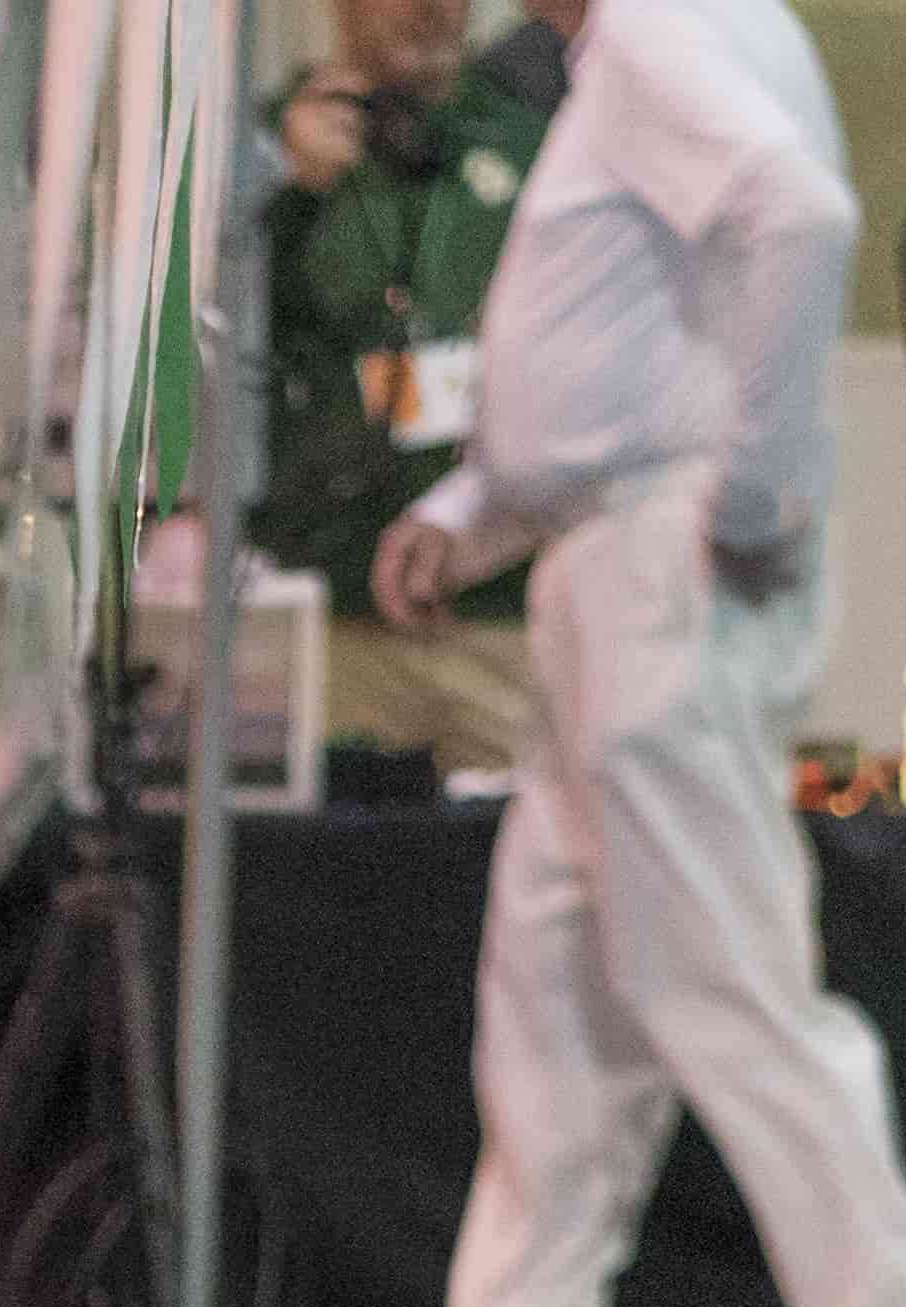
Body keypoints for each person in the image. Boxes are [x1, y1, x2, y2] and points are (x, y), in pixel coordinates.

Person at [332, 0, 906, 1307]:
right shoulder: (654, 47)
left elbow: (797, 211)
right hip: (621, 558)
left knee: (719, 980)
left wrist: (763, 481)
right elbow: (635, 345)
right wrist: (486, 508)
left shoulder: (662, 31)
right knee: (560, 997)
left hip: (667, 571)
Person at [257, 0, 572, 779]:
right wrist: (286, 188)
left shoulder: (539, 143)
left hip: (501, 616)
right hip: (328, 615)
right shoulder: (269, 148)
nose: (435, 7)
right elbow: (202, 341)